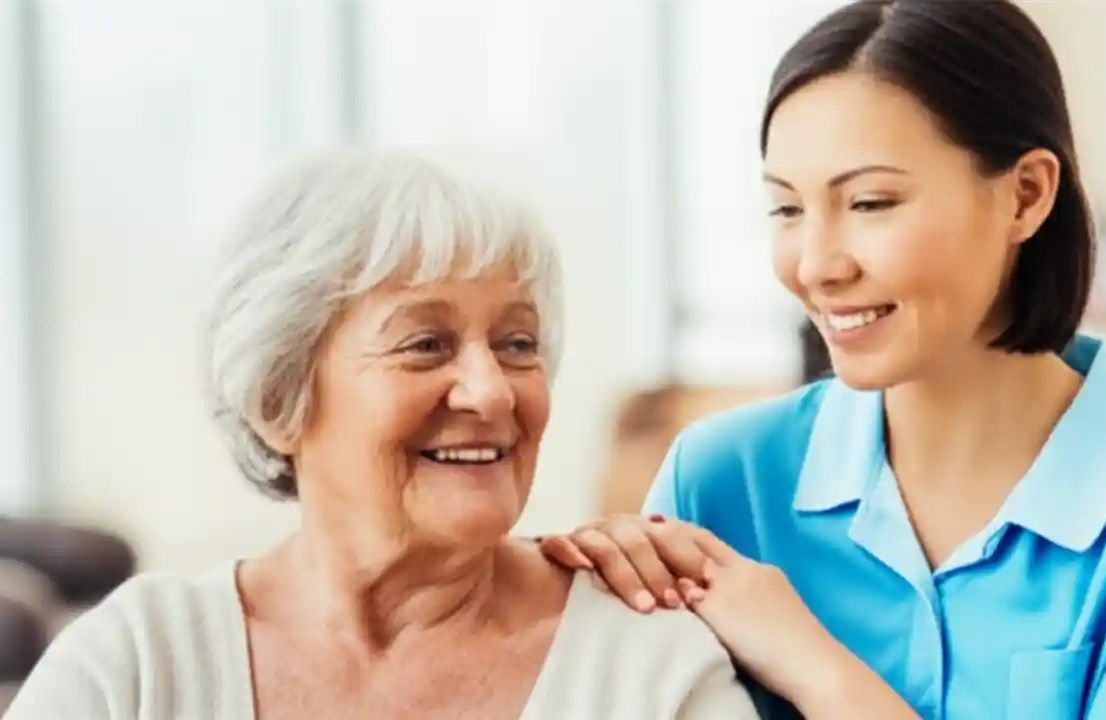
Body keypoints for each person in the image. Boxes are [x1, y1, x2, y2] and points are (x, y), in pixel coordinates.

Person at [541, 2, 1106, 718]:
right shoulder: (721, 479)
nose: (817, 265)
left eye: (869, 203)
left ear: (1026, 195)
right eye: (788, 209)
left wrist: (812, 664)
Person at [6, 149, 757, 719]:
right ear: (279, 397)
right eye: (426, 344)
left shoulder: (645, 667)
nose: (491, 390)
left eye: (517, 344)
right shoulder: (140, 662)